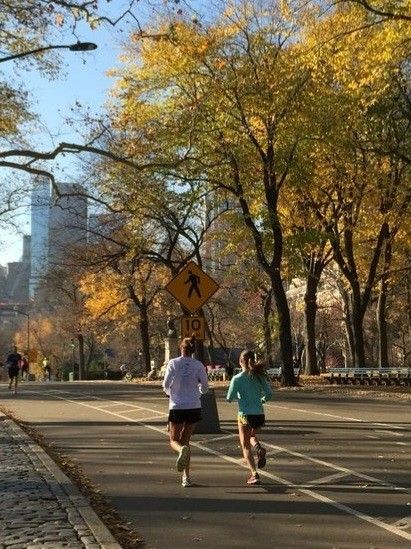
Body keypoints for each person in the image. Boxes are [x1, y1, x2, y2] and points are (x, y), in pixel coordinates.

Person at [162, 335, 209, 487]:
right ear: (192, 350)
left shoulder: (173, 363)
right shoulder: (198, 365)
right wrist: (199, 393)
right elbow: (205, 386)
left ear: (181, 348)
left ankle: (180, 450)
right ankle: (186, 477)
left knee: (174, 440)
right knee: (186, 440)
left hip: (177, 405)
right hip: (194, 406)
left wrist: (170, 393)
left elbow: (166, 383)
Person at [226, 349, 273, 486]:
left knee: (245, 446)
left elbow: (229, 398)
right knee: (252, 436)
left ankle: (254, 474)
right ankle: (259, 448)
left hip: (245, 415)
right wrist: (261, 400)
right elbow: (269, 394)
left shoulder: (237, 378)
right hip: (259, 415)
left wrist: (239, 396)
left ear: (240, 362)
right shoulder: (259, 376)